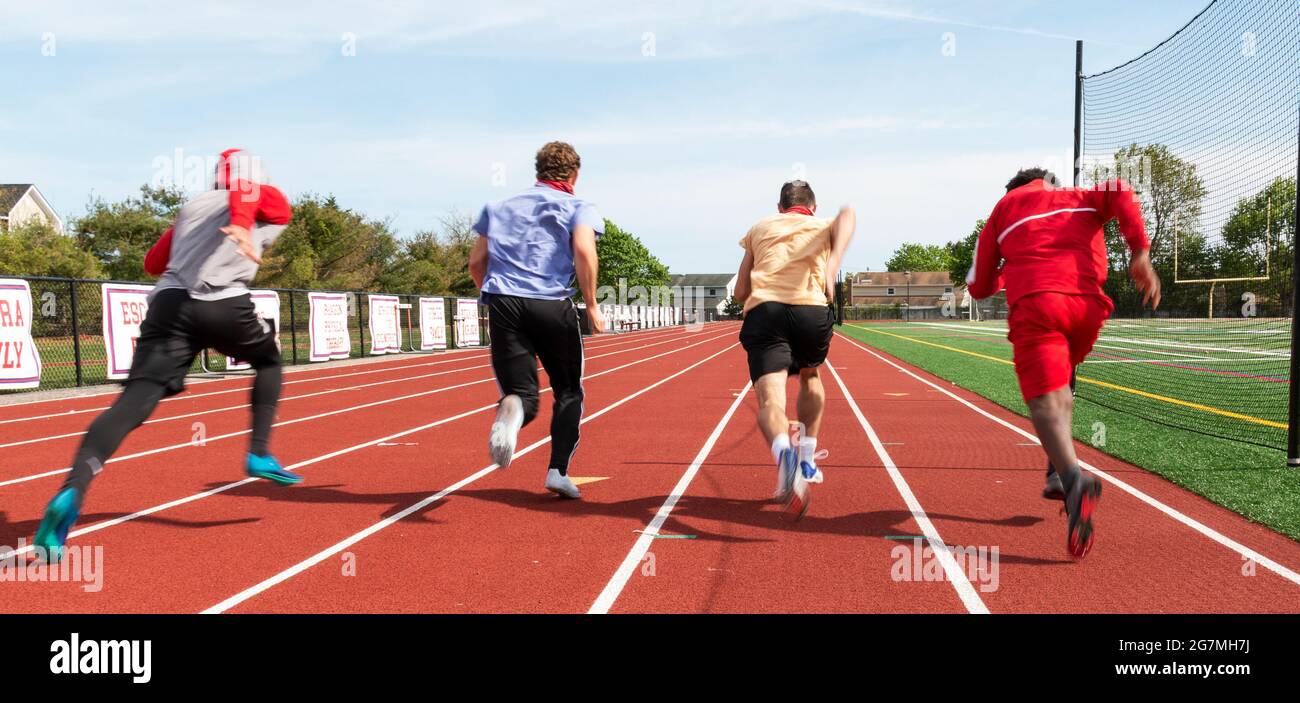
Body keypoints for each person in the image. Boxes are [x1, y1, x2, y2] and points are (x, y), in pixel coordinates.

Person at [33, 149, 300, 561]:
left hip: (170, 305)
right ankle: (260, 451)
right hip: (223, 303)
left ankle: (72, 488)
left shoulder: (192, 206)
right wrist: (243, 227)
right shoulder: (270, 197)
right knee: (268, 360)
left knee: (133, 402)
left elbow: (154, 262)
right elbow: (246, 191)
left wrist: (192, 236)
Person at [966, 167, 1160, 557]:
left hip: (1039, 303)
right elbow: (1122, 190)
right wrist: (1139, 252)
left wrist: (1009, 268)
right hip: (1088, 308)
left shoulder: (1003, 210)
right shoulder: (1079, 197)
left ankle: (1073, 480)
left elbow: (979, 285)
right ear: (1050, 183)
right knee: (1061, 388)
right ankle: (1056, 470)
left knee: (1043, 400)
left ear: (1012, 191)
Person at [468, 141, 604, 499]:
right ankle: (558, 471)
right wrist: (591, 304)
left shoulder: (496, 207)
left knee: (521, 392)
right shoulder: (579, 207)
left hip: (504, 303)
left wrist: (492, 295)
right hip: (551, 305)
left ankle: (512, 409)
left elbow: (476, 262)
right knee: (569, 390)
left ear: (538, 172)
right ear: (575, 175)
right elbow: (584, 251)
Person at [734, 180, 855, 520]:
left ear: (779, 207)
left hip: (766, 311)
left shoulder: (759, 227)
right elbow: (848, 213)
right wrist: (831, 268)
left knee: (771, 401)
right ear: (812, 207)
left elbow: (741, 289)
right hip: (810, 311)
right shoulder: (820, 225)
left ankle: (783, 453)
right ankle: (806, 458)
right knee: (810, 374)